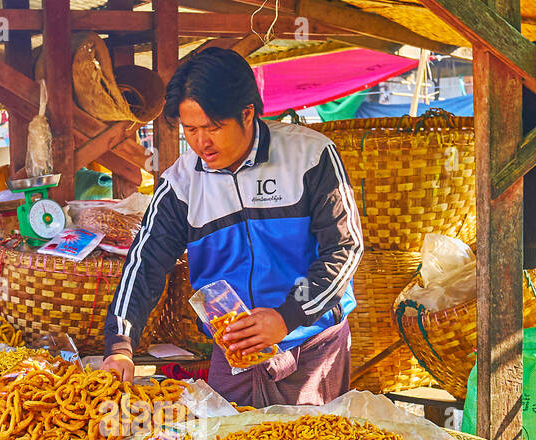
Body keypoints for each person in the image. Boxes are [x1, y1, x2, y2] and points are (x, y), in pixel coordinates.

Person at [101, 47, 363, 408]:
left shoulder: (311, 156)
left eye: (213, 127)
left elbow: (344, 249)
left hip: (311, 347)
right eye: (189, 129)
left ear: (248, 113)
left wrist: (287, 317)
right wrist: (120, 345)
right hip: (233, 354)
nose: (201, 143)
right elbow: (144, 265)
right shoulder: (180, 184)